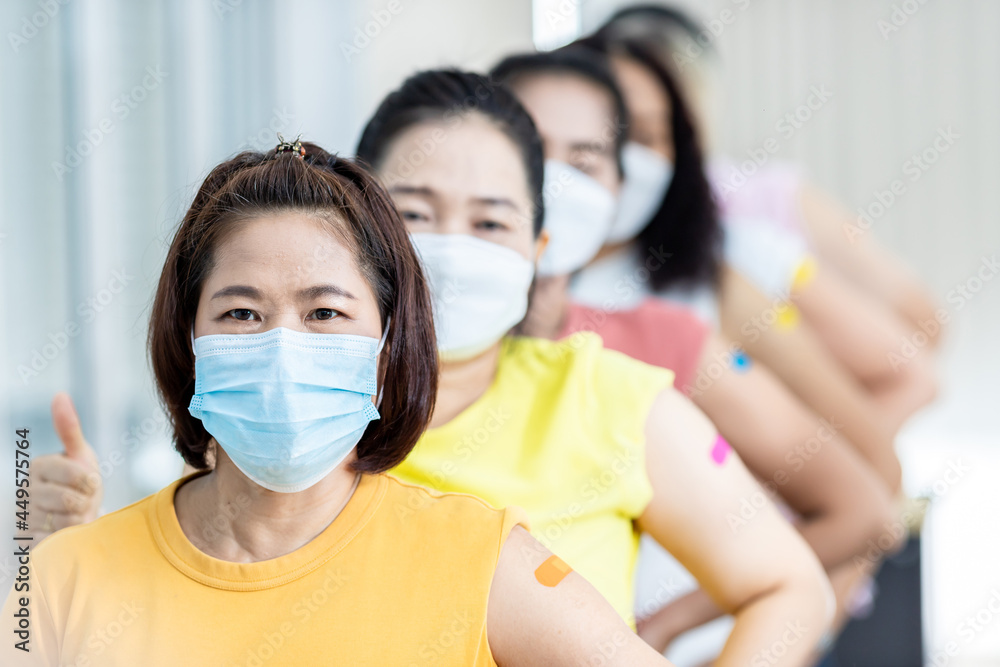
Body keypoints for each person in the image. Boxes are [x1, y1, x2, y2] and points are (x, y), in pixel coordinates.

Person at [5, 140, 673, 666]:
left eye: (324, 311)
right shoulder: (68, 577)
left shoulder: (479, 561)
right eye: (241, 312)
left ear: (386, 346)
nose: (282, 345)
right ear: (189, 340)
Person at [358, 68, 831, 665]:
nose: (453, 247)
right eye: (416, 214)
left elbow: (789, 588)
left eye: (490, 223)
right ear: (358, 227)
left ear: (539, 249)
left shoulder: (608, 400)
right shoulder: (294, 413)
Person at [489, 47, 898, 658]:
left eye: (586, 158)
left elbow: (863, 507)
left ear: (616, 185)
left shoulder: (664, 337)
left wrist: (672, 622)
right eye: (534, 147)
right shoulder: (394, 357)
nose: (557, 180)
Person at [566, 31, 918, 496]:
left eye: (649, 136)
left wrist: (796, 553)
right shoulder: (503, 296)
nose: (623, 160)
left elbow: (873, 471)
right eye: (599, 135)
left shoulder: (713, 289)